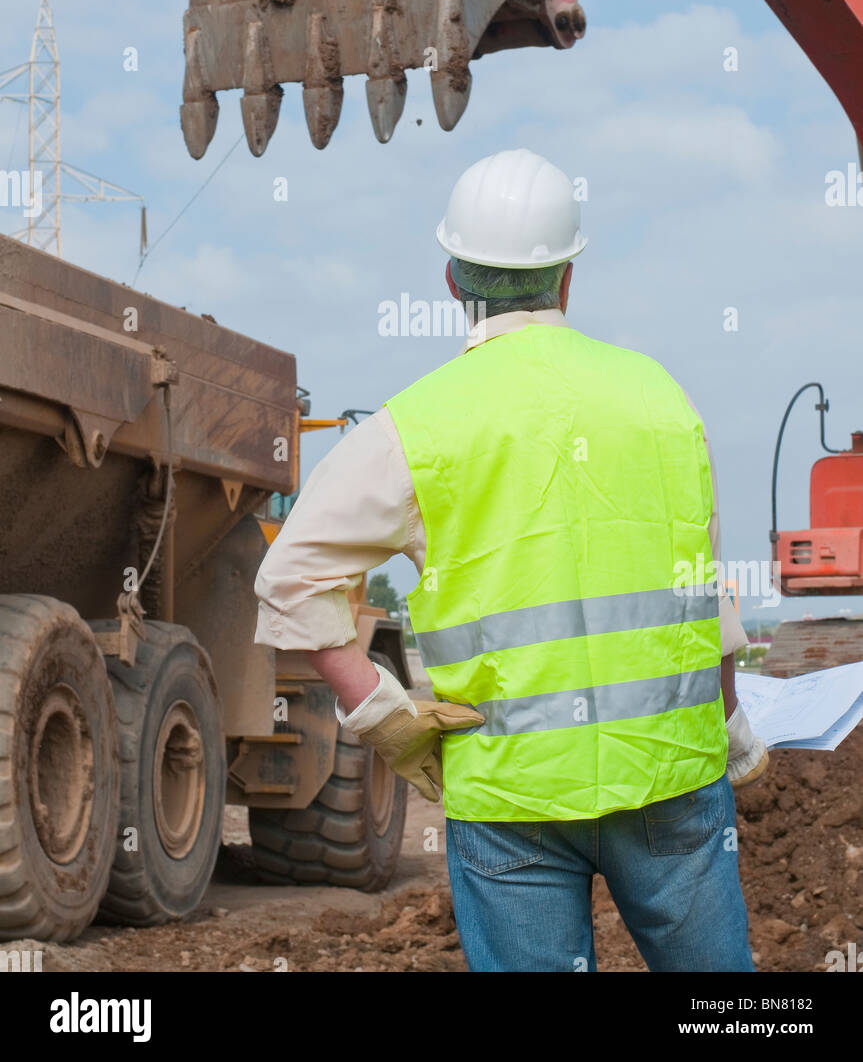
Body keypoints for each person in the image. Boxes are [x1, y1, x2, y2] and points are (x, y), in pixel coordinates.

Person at [254, 147, 767, 973]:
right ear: (568, 276)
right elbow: (700, 594)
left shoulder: (416, 425)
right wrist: (730, 721)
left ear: (452, 281)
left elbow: (290, 580)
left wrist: (381, 713)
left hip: (509, 794)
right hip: (670, 777)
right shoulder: (660, 398)